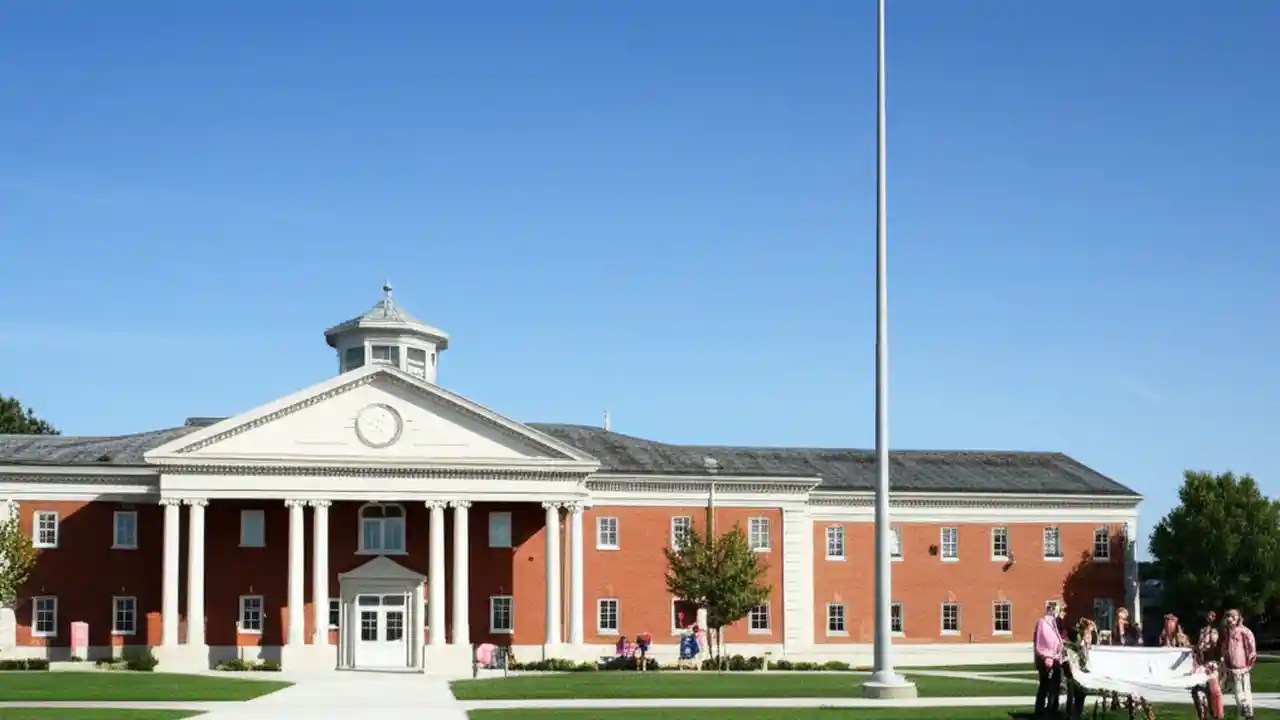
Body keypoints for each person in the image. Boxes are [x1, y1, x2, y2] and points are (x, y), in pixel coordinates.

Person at [1218, 609, 1257, 719]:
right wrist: (1225, 664)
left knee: (1245, 691)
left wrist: (1249, 665)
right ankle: (1245, 712)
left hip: (1243, 668)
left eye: (1233, 616)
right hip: (1232, 668)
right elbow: (1225, 648)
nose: (1230, 619)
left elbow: (1252, 649)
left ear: (1239, 618)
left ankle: (1248, 712)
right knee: (1238, 692)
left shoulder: (1245, 632)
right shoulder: (1227, 633)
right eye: (1228, 616)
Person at [1034, 602, 1067, 719]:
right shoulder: (1043, 623)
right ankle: (1042, 709)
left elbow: (1058, 638)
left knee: (1054, 685)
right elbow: (1042, 641)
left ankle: (1052, 708)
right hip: (1045, 658)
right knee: (1046, 684)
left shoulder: (1054, 623)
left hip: (1055, 658)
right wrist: (1047, 656)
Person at [1064, 617, 1096, 720]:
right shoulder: (1077, 640)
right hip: (1076, 670)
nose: (1089, 636)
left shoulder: (1084, 640)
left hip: (1080, 670)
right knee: (1074, 691)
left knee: (1079, 693)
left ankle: (1075, 713)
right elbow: (1077, 651)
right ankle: (1072, 714)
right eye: (1088, 632)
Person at [1192, 611, 1222, 720]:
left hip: (1212, 664)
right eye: (1209, 615)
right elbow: (1197, 646)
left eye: (1213, 615)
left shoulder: (1217, 631)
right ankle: (1202, 716)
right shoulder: (1201, 631)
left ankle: (1217, 715)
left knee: (1214, 692)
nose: (1210, 617)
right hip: (1200, 664)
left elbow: (1217, 647)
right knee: (1198, 692)